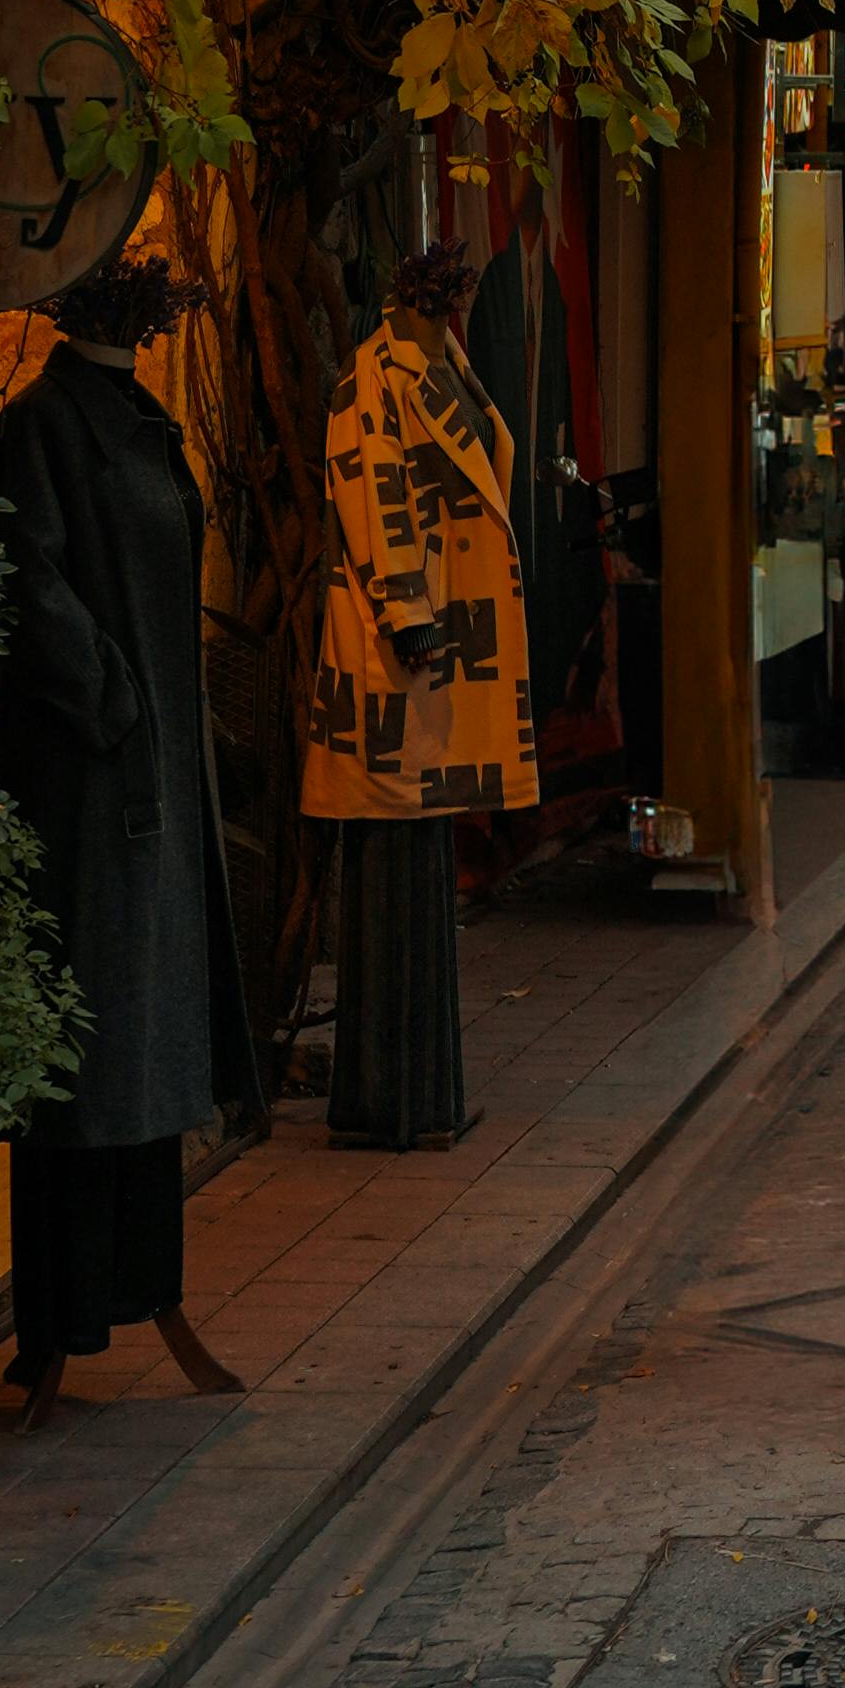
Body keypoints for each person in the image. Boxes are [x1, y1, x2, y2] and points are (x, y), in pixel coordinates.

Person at [0, 256, 262, 1422]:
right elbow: (29, 577)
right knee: (94, 1044)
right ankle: (62, 1315)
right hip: (90, 791)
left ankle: (149, 1281)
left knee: (149, 1038)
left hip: (153, 784)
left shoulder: (146, 419)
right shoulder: (42, 425)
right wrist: (108, 704)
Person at [302, 240, 535, 1146]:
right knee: (393, 872)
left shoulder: (446, 364)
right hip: (403, 659)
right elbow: (374, 497)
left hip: (436, 654)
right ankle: (394, 1096)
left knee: (417, 870)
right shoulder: (374, 377)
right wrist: (408, 613)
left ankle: (414, 1091)